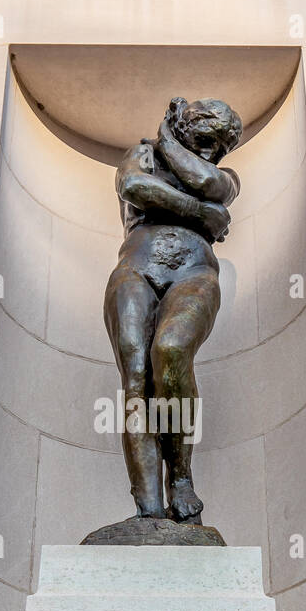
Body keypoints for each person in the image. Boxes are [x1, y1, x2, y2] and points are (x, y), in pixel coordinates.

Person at [104, 96, 242, 523]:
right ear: (186, 123)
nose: (212, 151)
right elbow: (134, 186)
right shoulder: (141, 154)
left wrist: (170, 140)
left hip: (193, 274)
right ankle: (148, 508)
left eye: (220, 145)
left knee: (171, 350)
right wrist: (203, 215)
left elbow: (209, 184)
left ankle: (180, 477)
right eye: (206, 137)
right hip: (135, 270)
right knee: (136, 379)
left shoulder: (226, 177)